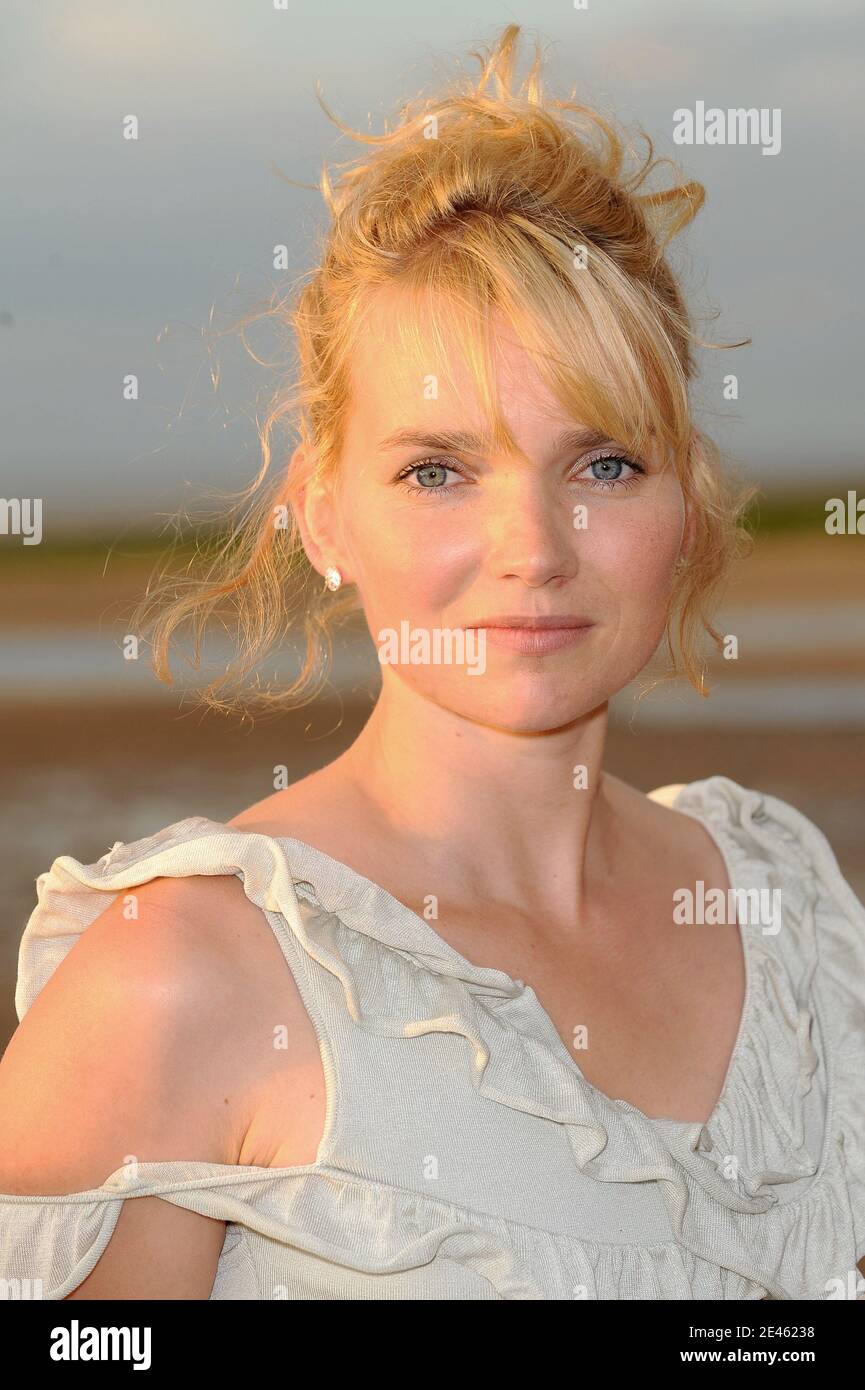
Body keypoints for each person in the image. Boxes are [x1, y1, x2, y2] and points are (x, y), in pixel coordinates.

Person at [1, 24, 862, 1302]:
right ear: (326, 514)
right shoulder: (175, 973)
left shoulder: (781, 896)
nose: (532, 549)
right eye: (437, 471)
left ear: (688, 503)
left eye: (604, 463)